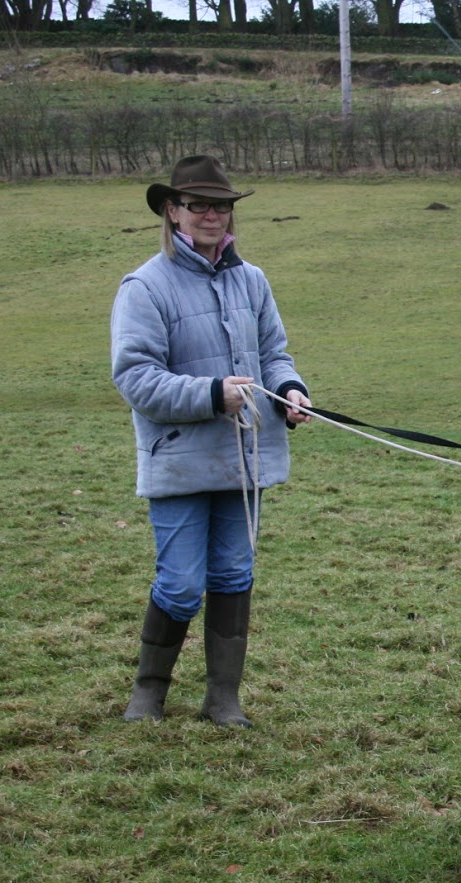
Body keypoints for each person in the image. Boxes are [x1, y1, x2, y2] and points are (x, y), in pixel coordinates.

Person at [111, 155, 313, 727]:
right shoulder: (144, 286)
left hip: (242, 461)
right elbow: (134, 377)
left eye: (220, 206)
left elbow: (274, 353)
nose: (211, 216)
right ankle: (148, 692)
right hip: (178, 458)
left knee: (232, 576)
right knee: (179, 584)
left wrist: (291, 391)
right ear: (172, 211)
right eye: (197, 205)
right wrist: (211, 394)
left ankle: (223, 699)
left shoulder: (252, 280)